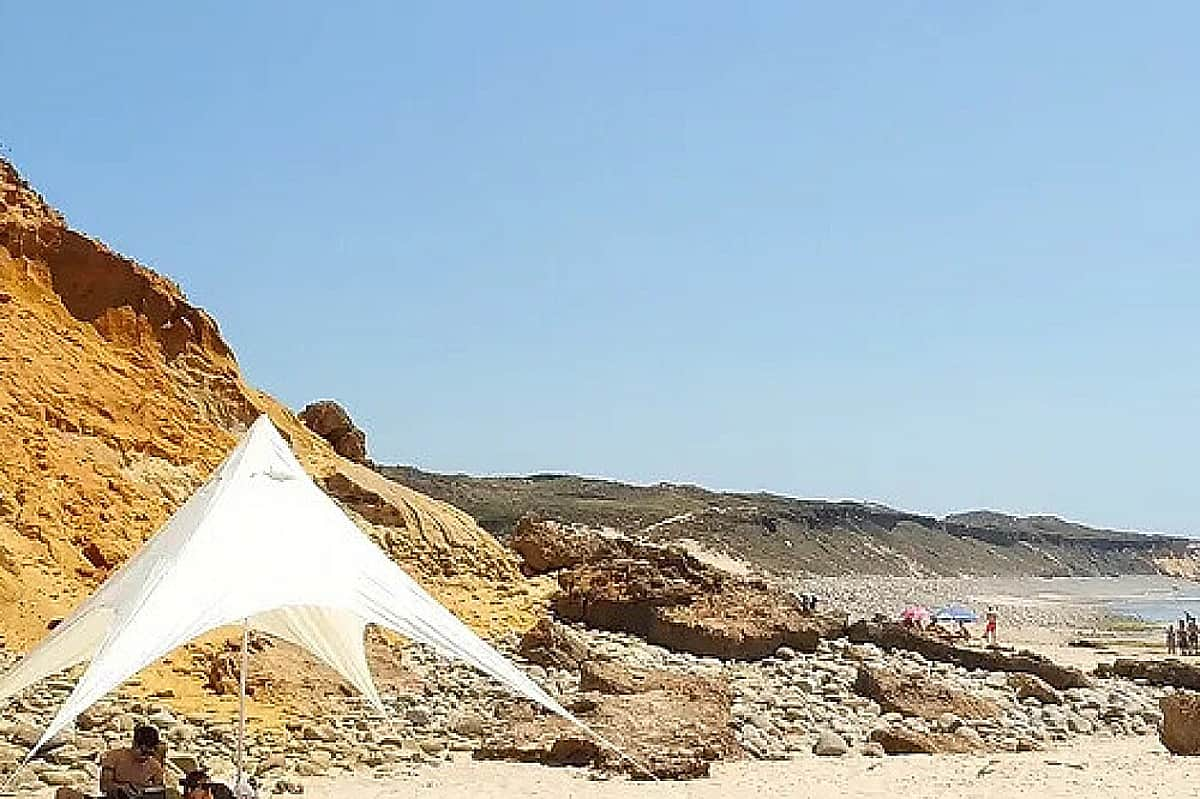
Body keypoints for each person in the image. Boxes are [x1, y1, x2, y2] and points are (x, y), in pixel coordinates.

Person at [99, 724, 165, 799]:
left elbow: (159, 790)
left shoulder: (155, 766)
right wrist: (122, 788)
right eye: (143, 752)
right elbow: (104, 785)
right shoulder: (114, 757)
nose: (146, 757)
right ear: (134, 744)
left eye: (149, 753)